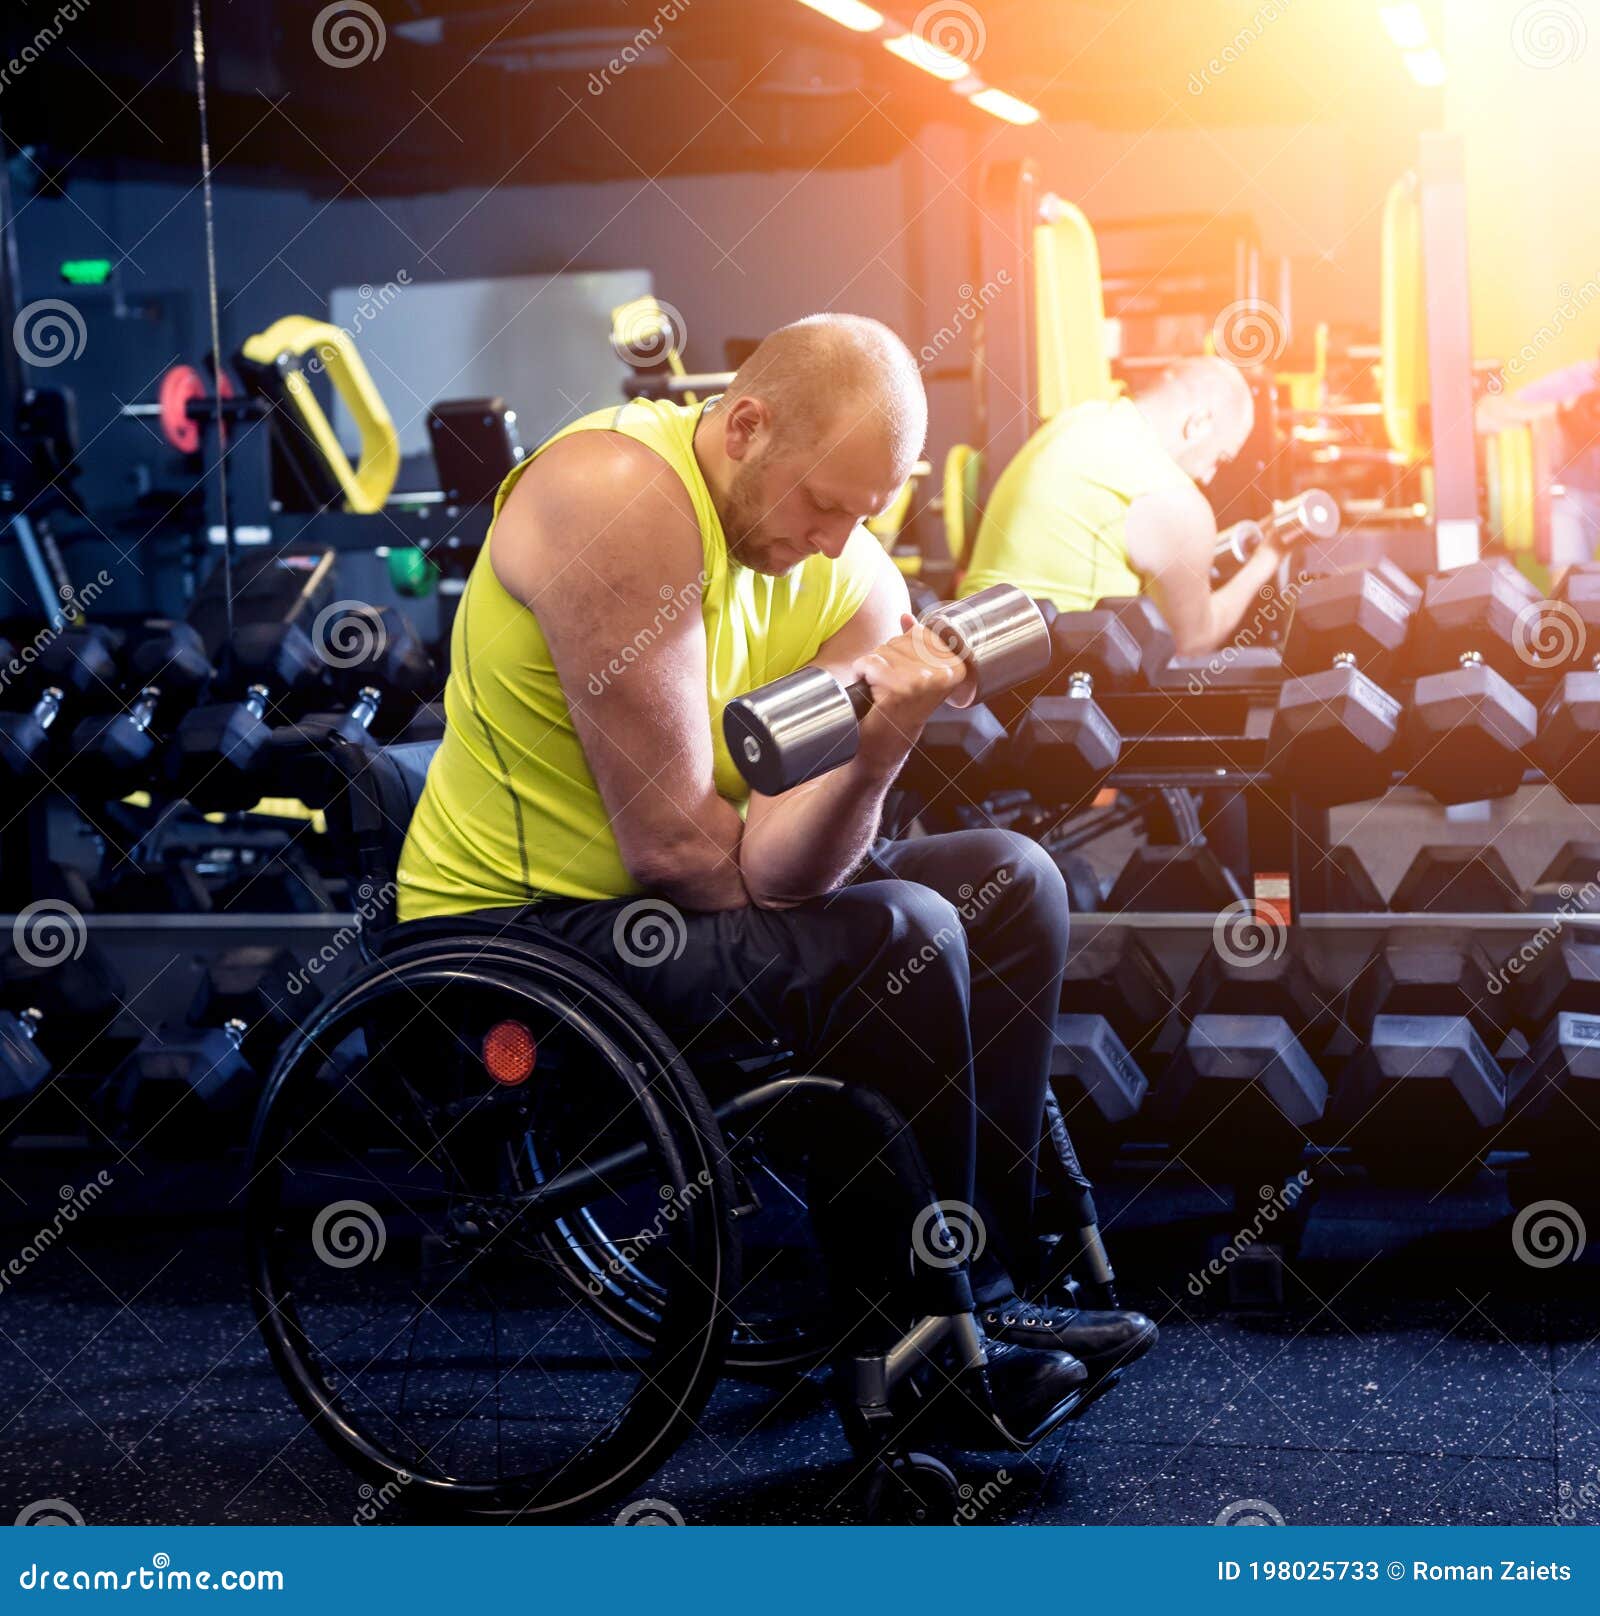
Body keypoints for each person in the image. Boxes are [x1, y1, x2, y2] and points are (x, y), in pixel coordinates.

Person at [397, 313, 1155, 1434]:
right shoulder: (617, 494)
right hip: (517, 945)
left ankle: (982, 1296)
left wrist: (886, 737)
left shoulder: (846, 573)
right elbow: (675, 851)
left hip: (676, 916)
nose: (835, 539)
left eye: (864, 512)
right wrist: (833, 907)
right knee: (897, 932)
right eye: (823, 503)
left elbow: (782, 866)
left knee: (1008, 880)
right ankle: (919, 1362)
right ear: (746, 426)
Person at [961, 357, 1274, 656]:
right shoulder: (1172, 496)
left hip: (969, 650)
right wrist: (1269, 556)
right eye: (1220, 458)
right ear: (1199, 423)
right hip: (1042, 676)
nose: (1208, 475)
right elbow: (1193, 644)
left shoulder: (1074, 421)